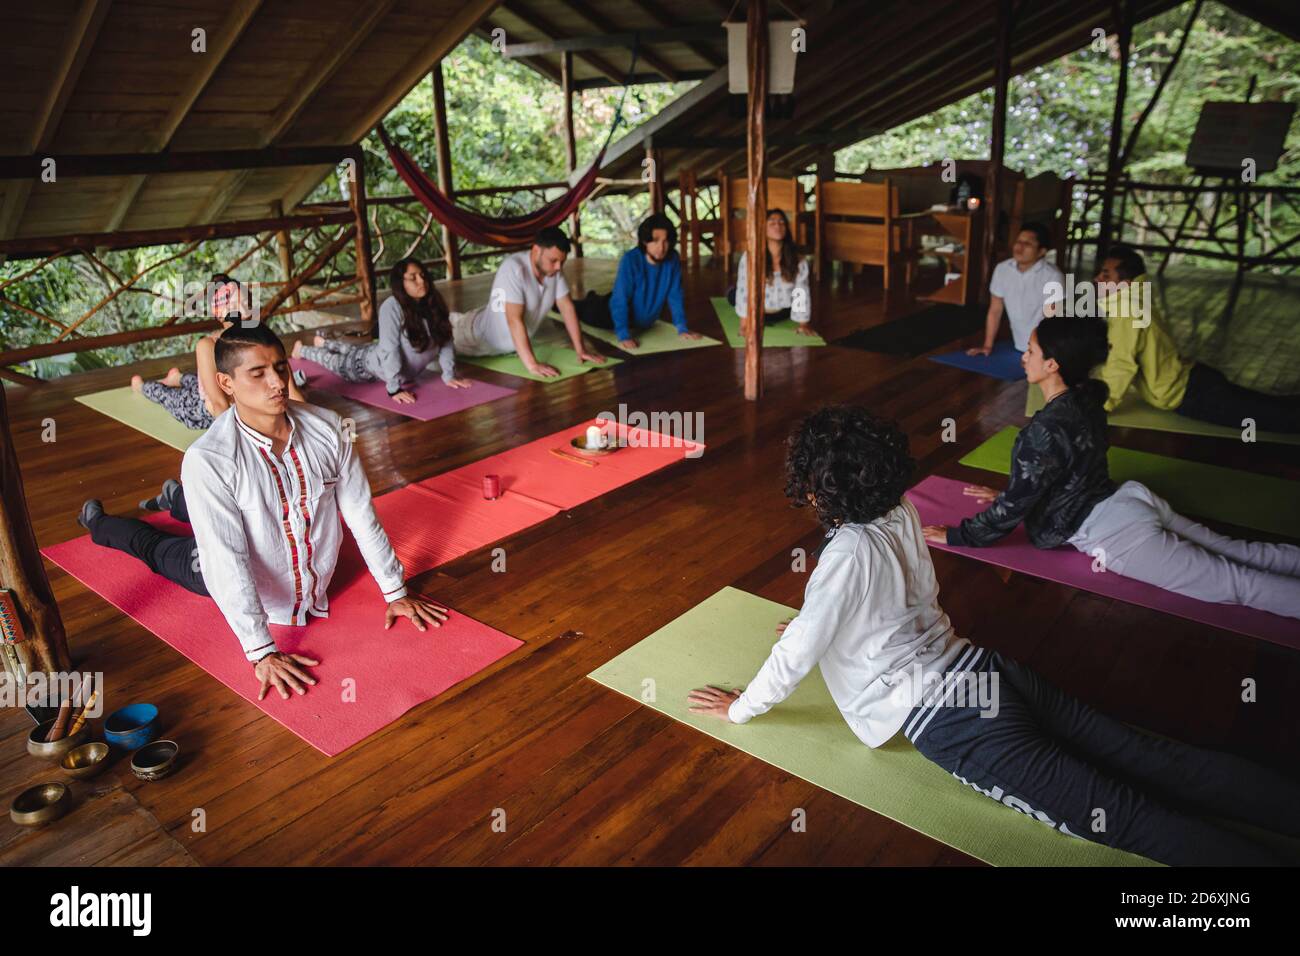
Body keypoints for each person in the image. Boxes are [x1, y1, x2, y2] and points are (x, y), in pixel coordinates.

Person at [688, 405, 1300, 865]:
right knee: (1151, 758)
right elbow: (906, 600)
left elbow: (799, 651)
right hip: (985, 669)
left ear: (817, 488)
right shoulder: (901, 511)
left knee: (1125, 818)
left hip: (949, 718)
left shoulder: (844, 551)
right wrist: (814, 621)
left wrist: (741, 709)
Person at [79, 324, 448, 702]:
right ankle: (99, 523)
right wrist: (261, 651)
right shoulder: (210, 460)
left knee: (238, 503)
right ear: (226, 382)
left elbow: (360, 513)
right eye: (258, 373)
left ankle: (177, 499)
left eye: (280, 368)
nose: (276, 382)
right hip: (224, 574)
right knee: (154, 548)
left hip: (303, 574)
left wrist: (395, 591)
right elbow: (226, 559)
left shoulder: (329, 429)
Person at [927, 316, 1300, 620]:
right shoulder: (1088, 398)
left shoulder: (1041, 432)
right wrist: (1013, 495)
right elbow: (1064, 473)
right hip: (1131, 499)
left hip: (1114, 533)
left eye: (1030, 350)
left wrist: (961, 535)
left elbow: (1010, 512)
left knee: (1238, 585)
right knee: (1242, 551)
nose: (1024, 357)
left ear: (1051, 364)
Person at [1092, 244, 1300, 432]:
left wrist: (1099, 407)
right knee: (1272, 408)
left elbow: (1122, 364)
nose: (1097, 280)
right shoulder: (1133, 302)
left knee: (1275, 418)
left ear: (1125, 284)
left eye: (1105, 276)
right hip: (1195, 382)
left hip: (1191, 392)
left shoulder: (1127, 311)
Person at [131, 274, 305, 429]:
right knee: (167, 395)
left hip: (239, 399)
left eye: (248, 304)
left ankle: (177, 377)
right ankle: (141, 386)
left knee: (195, 379)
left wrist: (309, 423)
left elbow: (292, 391)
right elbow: (218, 404)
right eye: (238, 306)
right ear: (220, 313)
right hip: (206, 408)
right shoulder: (207, 345)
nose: (246, 312)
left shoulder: (262, 337)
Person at [292, 257, 470, 403]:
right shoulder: (392, 306)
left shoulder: (435, 304)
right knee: (332, 361)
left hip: (374, 353)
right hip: (367, 366)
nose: (421, 281)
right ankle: (303, 350)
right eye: (413, 277)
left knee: (354, 349)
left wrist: (449, 375)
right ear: (401, 283)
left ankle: (325, 342)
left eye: (423, 275)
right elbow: (389, 350)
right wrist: (393, 389)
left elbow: (446, 339)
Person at [448, 227, 607, 378]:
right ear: (536, 250)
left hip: (500, 340)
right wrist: (532, 365)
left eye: (562, 261)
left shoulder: (554, 271)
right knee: (436, 337)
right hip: (474, 337)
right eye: (553, 260)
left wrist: (581, 349)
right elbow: (514, 320)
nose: (558, 267)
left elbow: (567, 308)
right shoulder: (514, 269)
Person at [572, 213, 703, 349]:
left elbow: (675, 294)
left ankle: (592, 297)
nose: (661, 247)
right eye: (655, 240)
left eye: (665, 241)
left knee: (594, 300)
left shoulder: (673, 258)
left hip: (639, 321)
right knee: (578, 309)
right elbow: (620, 299)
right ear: (645, 241)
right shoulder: (630, 260)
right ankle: (580, 301)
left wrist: (682, 327)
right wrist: (623, 335)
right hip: (608, 312)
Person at [967, 222, 1063, 356]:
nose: (1020, 247)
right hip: (1018, 345)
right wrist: (987, 346)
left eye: (1028, 244)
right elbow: (995, 310)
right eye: (1018, 241)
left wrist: (1039, 351)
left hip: (1046, 348)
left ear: (1042, 251)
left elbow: (1051, 320)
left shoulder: (1053, 276)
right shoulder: (1002, 269)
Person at [727, 209, 815, 335]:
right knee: (734, 295)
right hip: (755, 312)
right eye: (772, 223)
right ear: (763, 228)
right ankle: (730, 291)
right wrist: (745, 325)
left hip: (782, 312)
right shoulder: (751, 257)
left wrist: (803, 324)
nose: (778, 226)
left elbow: (801, 291)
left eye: (781, 223)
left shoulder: (797, 259)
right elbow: (744, 290)